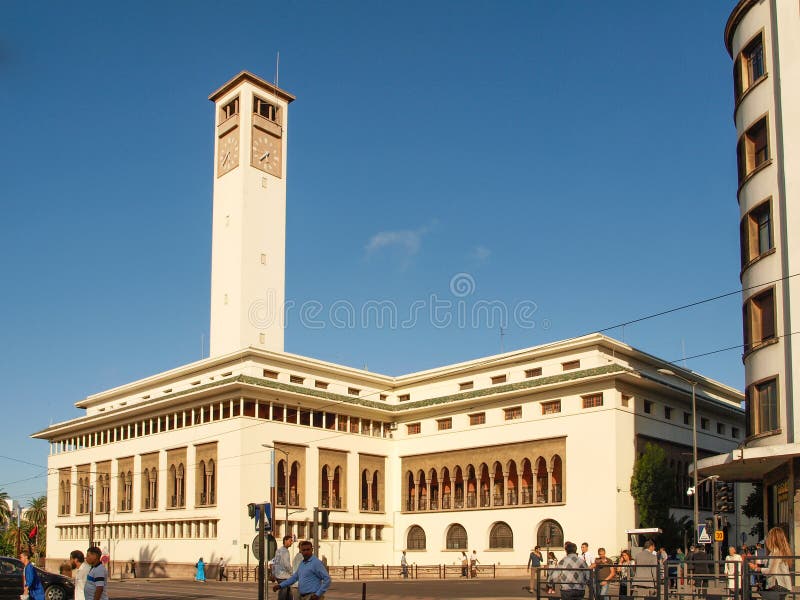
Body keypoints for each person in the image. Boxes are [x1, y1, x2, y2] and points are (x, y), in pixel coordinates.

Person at [749, 527, 793, 600]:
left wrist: (757, 569)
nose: (767, 540)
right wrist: (759, 565)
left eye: (768, 537)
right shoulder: (779, 551)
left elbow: (771, 571)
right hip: (783, 585)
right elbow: (768, 563)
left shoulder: (776, 552)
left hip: (778, 585)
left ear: (773, 539)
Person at [271, 535, 295, 599]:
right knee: (284, 595)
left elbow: (274, 562)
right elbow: (287, 564)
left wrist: (273, 573)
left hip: (278, 575)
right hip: (284, 576)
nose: (291, 542)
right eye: (290, 541)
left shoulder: (278, 550)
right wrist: (292, 573)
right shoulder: (285, 551)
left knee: (288, 594)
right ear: (285, 541)